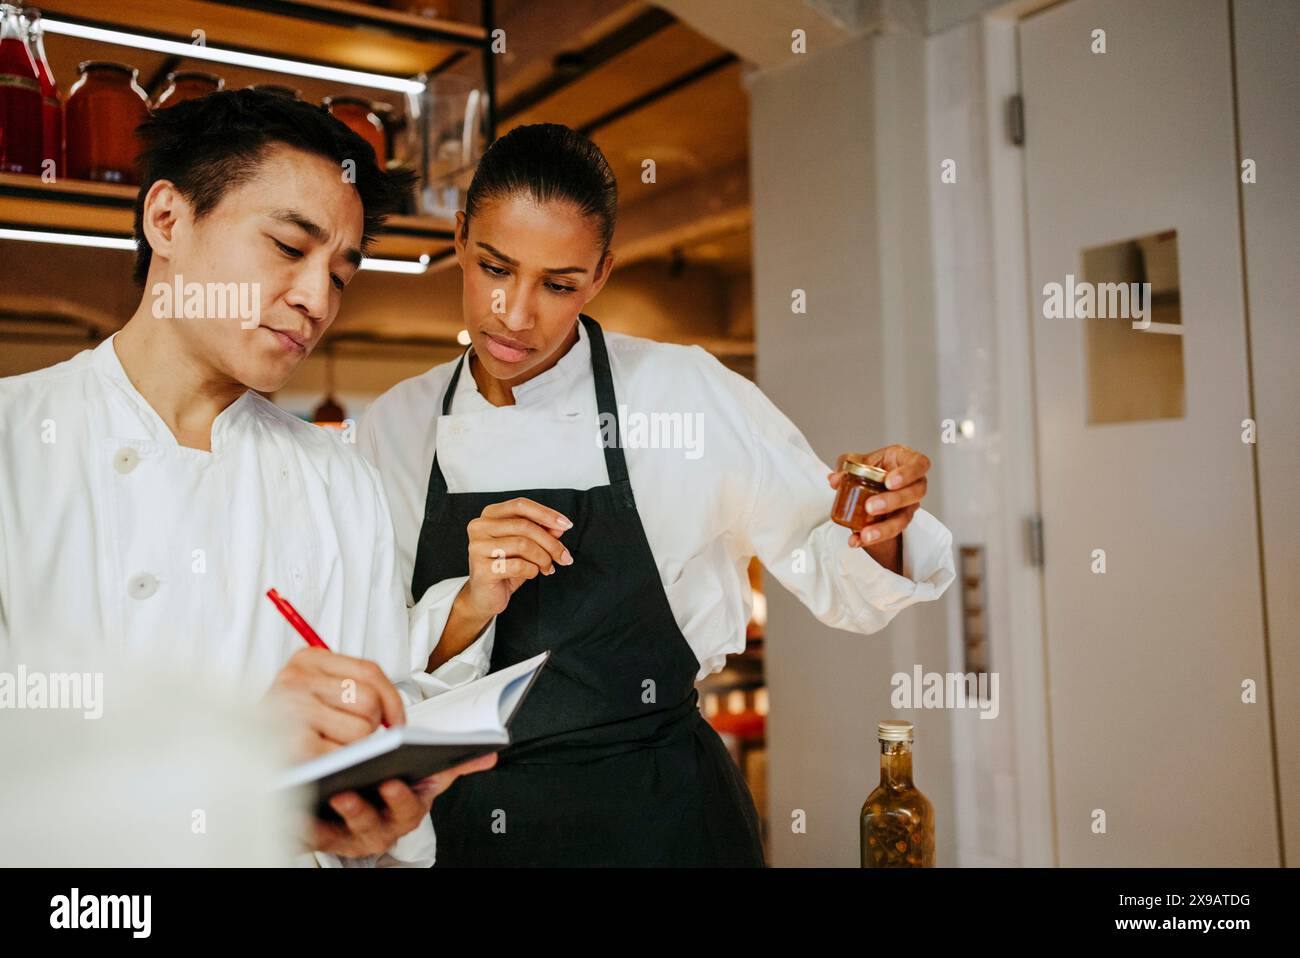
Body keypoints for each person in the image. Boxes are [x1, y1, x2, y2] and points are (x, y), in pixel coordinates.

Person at [357, 123, 957, 866]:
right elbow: (371, 657)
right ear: (459, 238)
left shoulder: (685, 394)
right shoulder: (394, 428)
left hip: (663, 819)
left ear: (602, 274)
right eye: (494, 268)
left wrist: (878, 526)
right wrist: (470, 602)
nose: (516, 313)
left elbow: (833, 570)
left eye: (560, 284)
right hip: (470, 830)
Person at [0, 90, 493, 866]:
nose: (315, 298)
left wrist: (366, 820)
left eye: (341, 273)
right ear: (167, 219)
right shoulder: (14, 446)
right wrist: (238, 754)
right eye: (288, 248)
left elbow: (361, 748)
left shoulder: (339, 482)